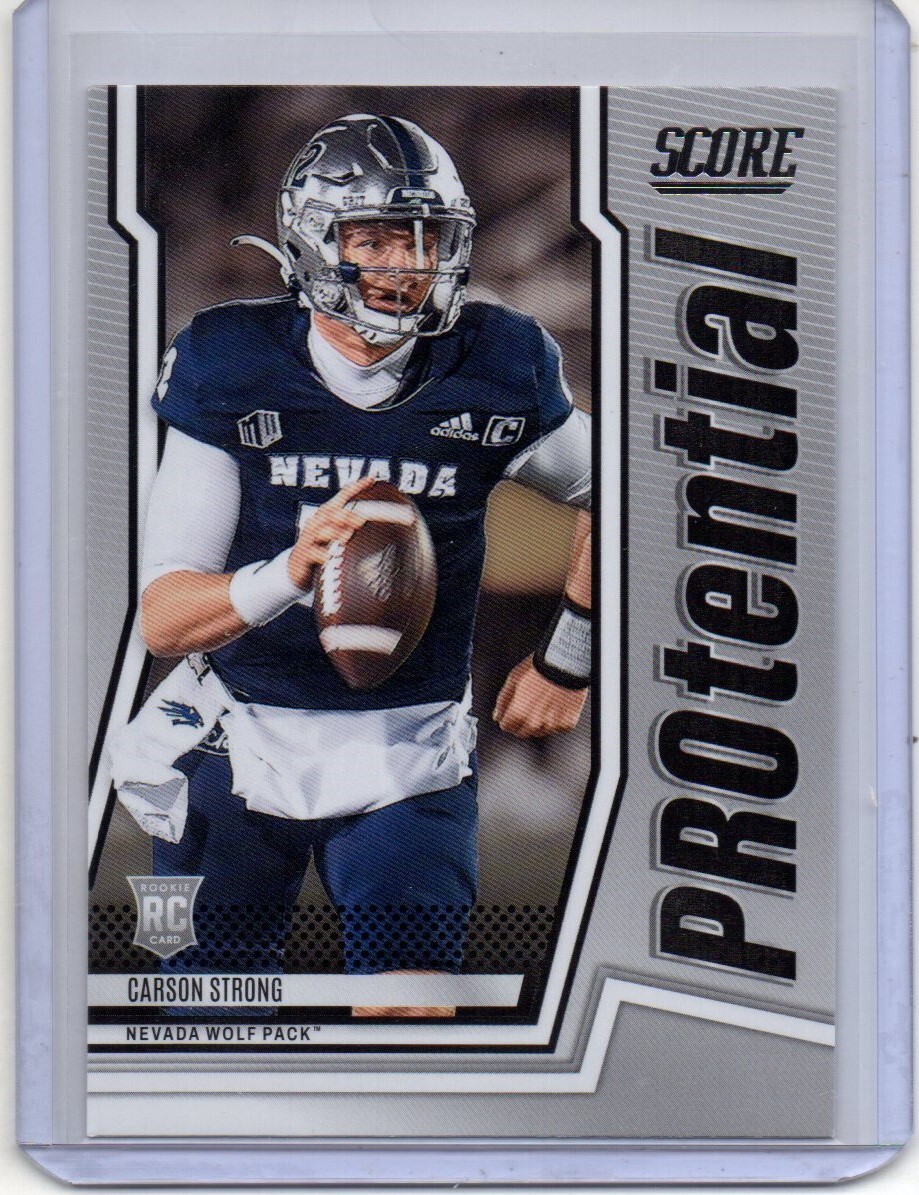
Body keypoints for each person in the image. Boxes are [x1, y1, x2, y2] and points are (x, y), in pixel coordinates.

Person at [118, 113, 592, 1018]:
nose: (406, 263)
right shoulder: (231, 361)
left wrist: (568, 659)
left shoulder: (496, 361)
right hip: (230, 738)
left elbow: (628, 492)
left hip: (406, 749)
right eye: (375, 239)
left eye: (426, 238)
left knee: (411, 1009)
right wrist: (290, 571)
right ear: (310, 241)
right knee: (208, 1019)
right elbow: (166, 616)